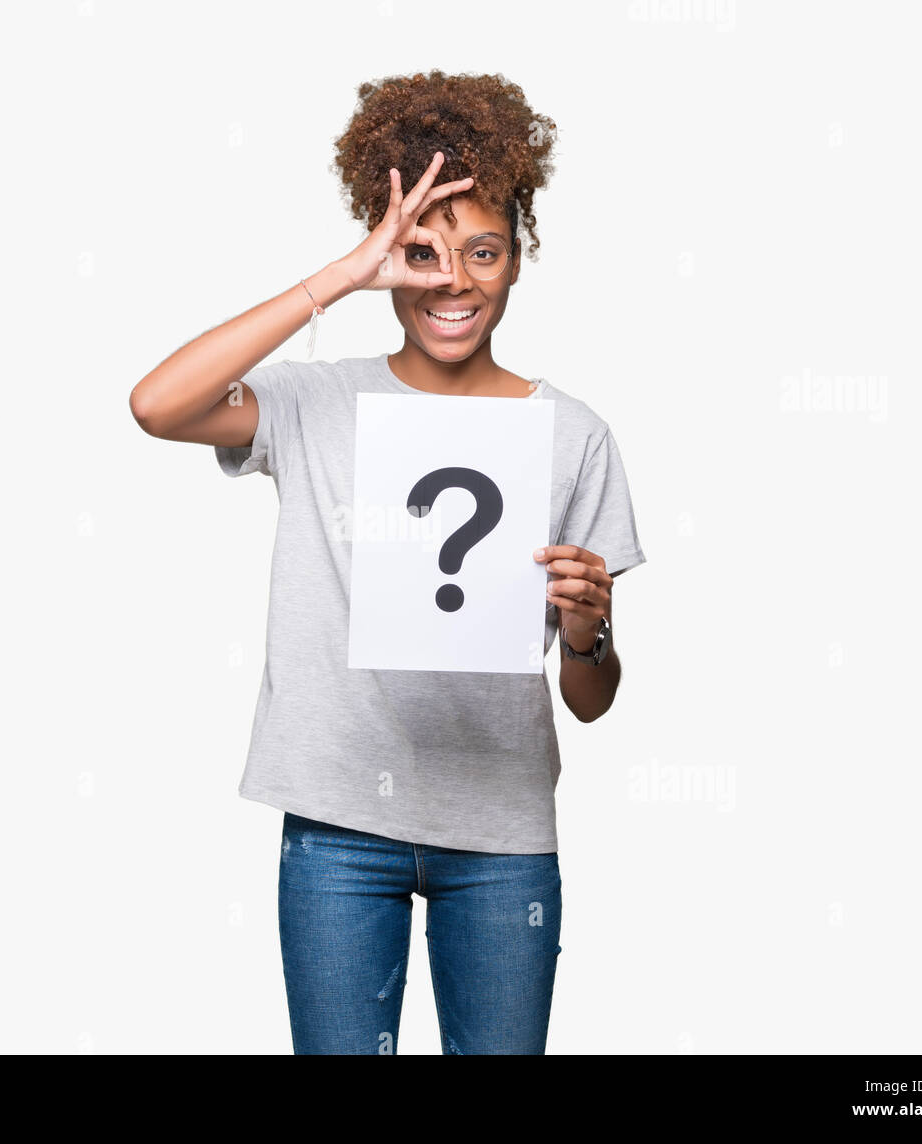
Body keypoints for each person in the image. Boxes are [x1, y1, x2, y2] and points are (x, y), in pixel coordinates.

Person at [129, 70, 646, 1054]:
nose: (452, 282)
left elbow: (590, 698)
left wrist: (589, 629)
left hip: (500, 833)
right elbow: (158, 404)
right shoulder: (311, 402)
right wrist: (341, 275)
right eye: (420, 254)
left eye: (482, 252)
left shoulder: (571, 435)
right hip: (334, 825)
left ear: (518, 258)